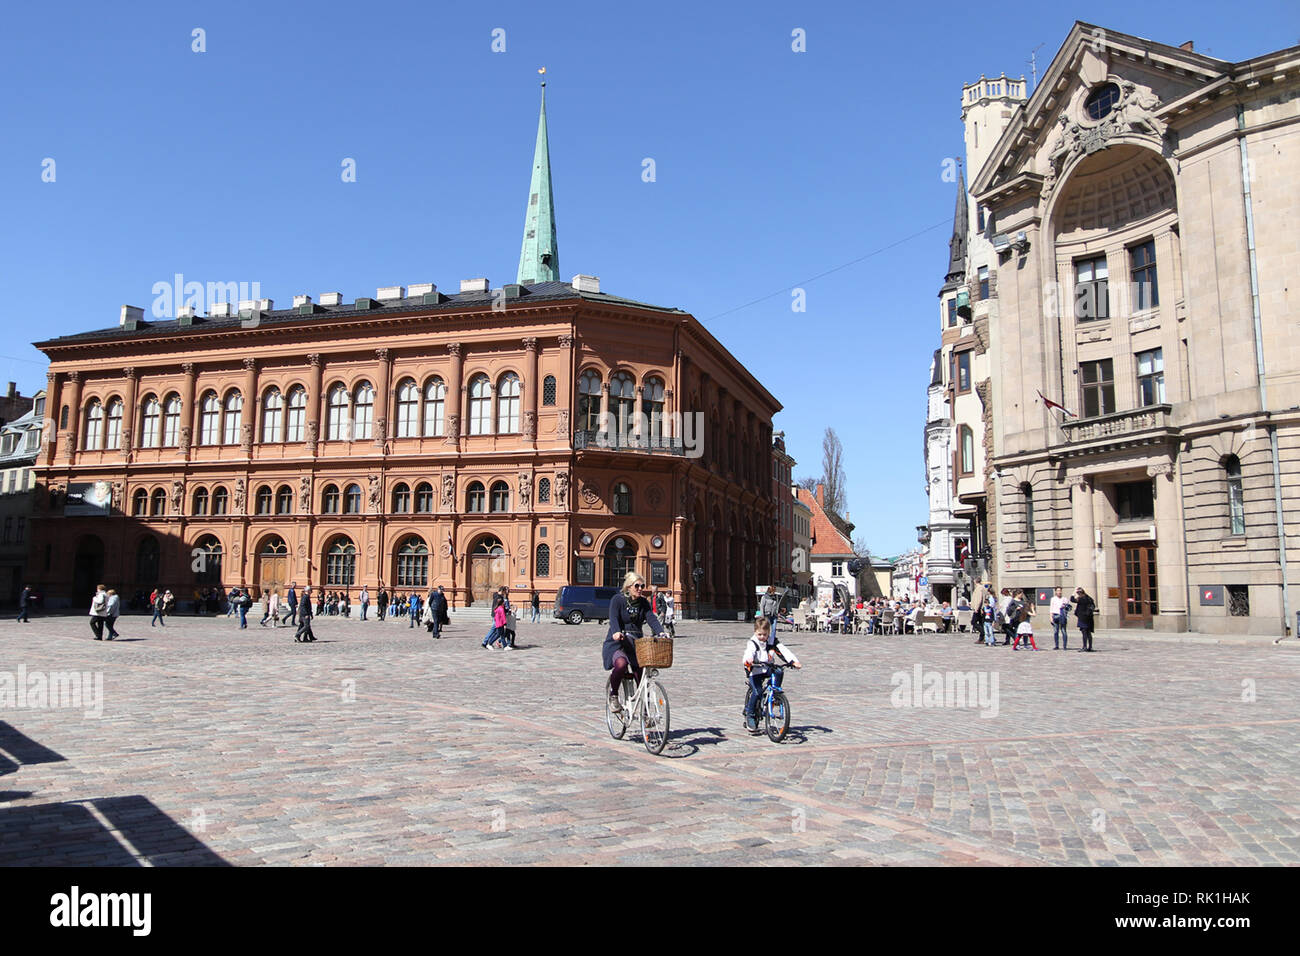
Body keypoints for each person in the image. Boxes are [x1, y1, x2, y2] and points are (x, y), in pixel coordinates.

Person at [603, 572, 667, 712]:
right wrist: (616, 632)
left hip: (636, 644)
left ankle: (646, 711)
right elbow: (613, 618)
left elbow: (651, 618)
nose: (640, 589)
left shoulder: (643, 602)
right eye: (636, 586)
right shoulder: (617, 600)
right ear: (628, 587)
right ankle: (614, 695)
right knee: (621, 664)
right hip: (618, 642)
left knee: (642, 674)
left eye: (642, 586)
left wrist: (661, 632)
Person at [742, 617, 801, 732]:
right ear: (755, 632)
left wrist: (793, 661)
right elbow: (749, 652)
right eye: (760, 634)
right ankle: (750, 715)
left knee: (779, 671)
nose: (762, 637)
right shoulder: (753, 642)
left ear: (769, 633)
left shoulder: (772, 641)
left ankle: (775, 693)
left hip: (767, 667)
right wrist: (749, 660)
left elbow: (783, 650)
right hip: (755, 670)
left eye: (765, 634)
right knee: (758, 691)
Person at [1075, 587, 1097, 652]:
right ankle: (1090, 647)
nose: (1078, 594)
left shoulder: (1081, 599)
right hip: (1089, 618)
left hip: (1083, 618)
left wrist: (1073, 593)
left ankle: (1084, 646)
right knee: (1088, 633)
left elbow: (1072, 599)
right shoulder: (1089, 598)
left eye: (1078, 593)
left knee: (1084, 632)